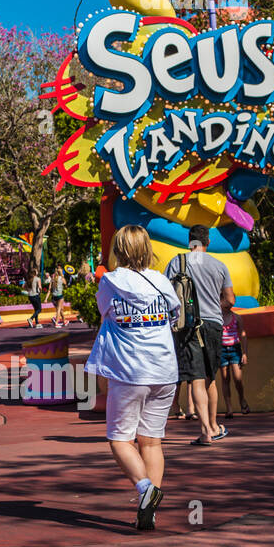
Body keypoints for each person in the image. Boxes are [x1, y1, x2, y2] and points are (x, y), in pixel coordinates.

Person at [84, 225, 180, 531]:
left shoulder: (110, 281)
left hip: (129, 372)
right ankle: (148, 512)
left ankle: (145, 490)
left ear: (119, 250)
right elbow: (176, 314)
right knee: (152, 442)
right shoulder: (162, 281)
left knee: (120, 439)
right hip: (164, 371)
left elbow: (103, 312)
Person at [164, 224, 236, 447]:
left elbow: (167, 294)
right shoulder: (219, 265)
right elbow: (231, 300)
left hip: (189, 325)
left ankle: (205, 432)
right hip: (214, 325)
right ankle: (213, 426)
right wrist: (216, 304)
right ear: (208, 242)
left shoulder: (177, 262)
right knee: (209, 378)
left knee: (196, 378)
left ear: (189, 241)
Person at [218, 299, 250, 419]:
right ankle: (229, 407)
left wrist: (244, 353)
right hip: (222, 349)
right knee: (225, 378)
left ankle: (242, 399)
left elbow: (242, 334)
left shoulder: (236, 317)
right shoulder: (218, 318)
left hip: (234, 349)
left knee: (237, 378)